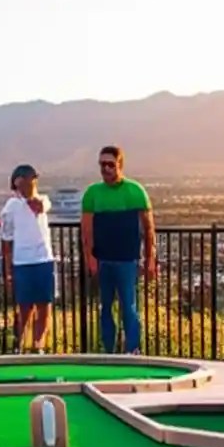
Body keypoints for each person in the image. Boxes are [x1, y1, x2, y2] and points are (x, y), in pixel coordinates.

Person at [81, 145, 156, 354]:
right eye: (102, 164)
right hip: (103, 260)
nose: (105, 168)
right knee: (105, 308)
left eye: (110, 164)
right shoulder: (92, 194)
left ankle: (132, 350)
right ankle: (108, 351)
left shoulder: (135, 191)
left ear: (120, 165)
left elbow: (149, 229)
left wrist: (150, 258)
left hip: (127, 260)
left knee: (129, 308)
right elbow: (86, 230)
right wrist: (90, 259)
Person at [0, 164, 55, 353]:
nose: (32, 182)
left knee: (44, 305)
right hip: (22, 262)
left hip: (43, 259)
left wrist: (30, 194)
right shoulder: (11, 207)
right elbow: (6, 241)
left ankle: (39, 345)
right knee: (24, 307)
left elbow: (39, 206)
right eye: (28, 178)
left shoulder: (42, 200)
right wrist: (8, 271)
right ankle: (19, 344)